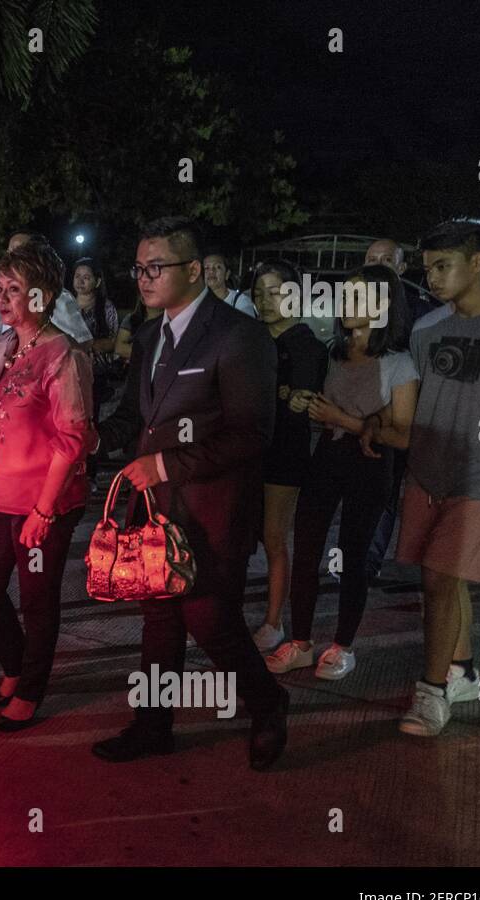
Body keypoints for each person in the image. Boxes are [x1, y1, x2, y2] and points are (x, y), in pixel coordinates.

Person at [92, 216, 288, 771]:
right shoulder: (150, 334)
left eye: (156, 267)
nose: (144, 278)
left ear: (194, 269)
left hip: (214, 506)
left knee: (208, 617)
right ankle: (153, 726)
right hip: (157, 507)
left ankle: (268, 702)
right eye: (138, 268)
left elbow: (253, 433)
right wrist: (92, 437)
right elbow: (135, 416)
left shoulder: (239, 334)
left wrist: (164, 463)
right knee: (159, 616)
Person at [388, 218, 480, 736]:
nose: (432, 277)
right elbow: (411, 401)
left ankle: (430, 695)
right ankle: (464, 671)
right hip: (426, 472)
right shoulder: (427, 329)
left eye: (443, 265)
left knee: (439, 577)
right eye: (428, 267)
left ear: (477, 264)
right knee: (447, 584)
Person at [0, 245, 93, 730]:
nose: (3, 298)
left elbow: (72, 438)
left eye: (14, 289)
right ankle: (15, 666)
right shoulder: (4, 346)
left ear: (43, 294)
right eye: (0, 289)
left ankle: (31, 689)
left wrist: (43, 510)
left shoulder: (63, 354)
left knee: (37, 600)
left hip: (44, 501)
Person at [267, 265, 417, 679]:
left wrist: (344, 419)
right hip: (327, 457)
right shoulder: (333, 351)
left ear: (384, 305)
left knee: (354, 557)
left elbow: (403, 435)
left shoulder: (398, 362)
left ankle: (343, 646)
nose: (346, 304)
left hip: (370, 464)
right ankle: (300, 643)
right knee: (308, 550)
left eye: (358, 296)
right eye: (345, 295)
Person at [248, 259, 329, 653]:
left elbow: (301, 401)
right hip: (245, 451)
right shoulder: (251, 337)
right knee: (239, 532)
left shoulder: (307, 345)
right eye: (259, 293)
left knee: (274, 536)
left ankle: (274, 620)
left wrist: (281, 397)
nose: (265, 300)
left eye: (274, 292)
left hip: (284, 453)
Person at [363, 237, 438, 581]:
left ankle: (367, 562)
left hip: (398, 421)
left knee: (385, 491)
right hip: (351, 417)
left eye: (386, 260)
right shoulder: (350, 304)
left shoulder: (420, 313)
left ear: (402, 268)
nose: (378, 264)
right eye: (371, 258)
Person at [73, 257, 121, 481]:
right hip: (71, 375)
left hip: (97, 376)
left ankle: (89, 474)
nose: (81, 281)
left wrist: (88, 345)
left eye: (86, 277)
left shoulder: (106, 308)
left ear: (97, 281)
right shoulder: (66, 306)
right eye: (77, 276)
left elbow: (114, 340)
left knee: (90, 423)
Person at [0, 232, 93, 342]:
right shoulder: (5, 297)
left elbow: (83, 342)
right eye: (9, 252)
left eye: (18, 252)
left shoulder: (58, 297)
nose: (11, 258)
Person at [202, 251, 256, 317]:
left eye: (218, 267)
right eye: (206, 268)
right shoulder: (196, 302)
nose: (211, 271)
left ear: (227, 274)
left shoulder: (241, 303)